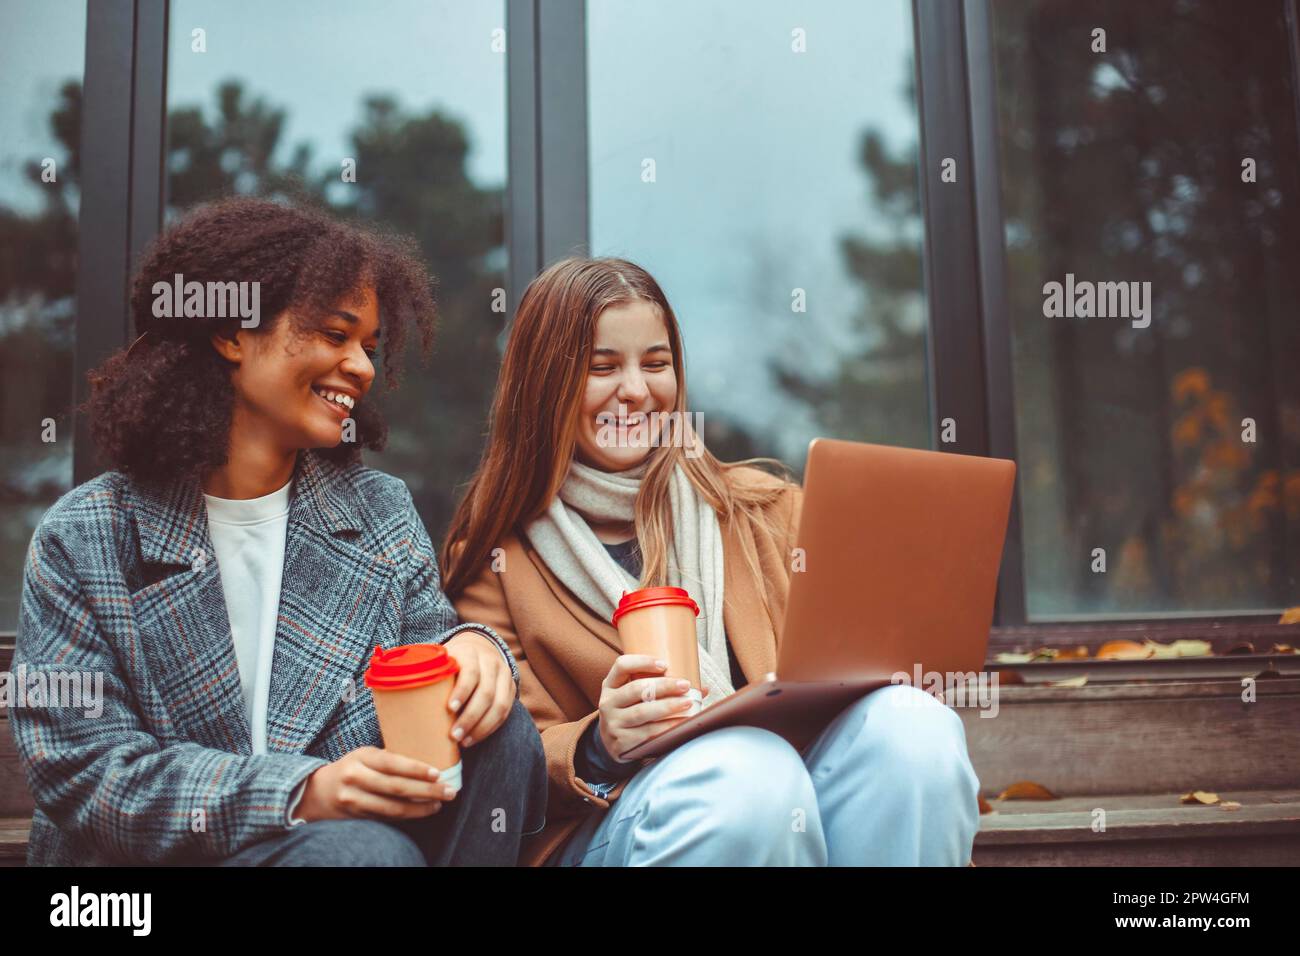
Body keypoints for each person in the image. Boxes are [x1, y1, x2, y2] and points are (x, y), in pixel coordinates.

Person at [11, 198, 546, 866]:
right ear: (232, 333)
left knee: (501, 737)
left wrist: (474, 650)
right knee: (363, 854)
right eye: (334, 334)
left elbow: (423, 652)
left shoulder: (377, 512)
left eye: (370, 347)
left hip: (350, 855)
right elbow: (86, 771)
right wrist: (301, 792)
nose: (362, 367)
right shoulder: (87, 536)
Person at [442, 256, 982, 866]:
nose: (637, 391)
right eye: (602, 368)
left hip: (795, 793)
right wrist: (599, 744)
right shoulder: (497, 564)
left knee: (913, 727)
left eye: (656, 363)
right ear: (546, 386)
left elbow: (860, 668)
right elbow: (505, 773)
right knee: (748, 772)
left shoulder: (768, 511)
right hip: (622, 825)